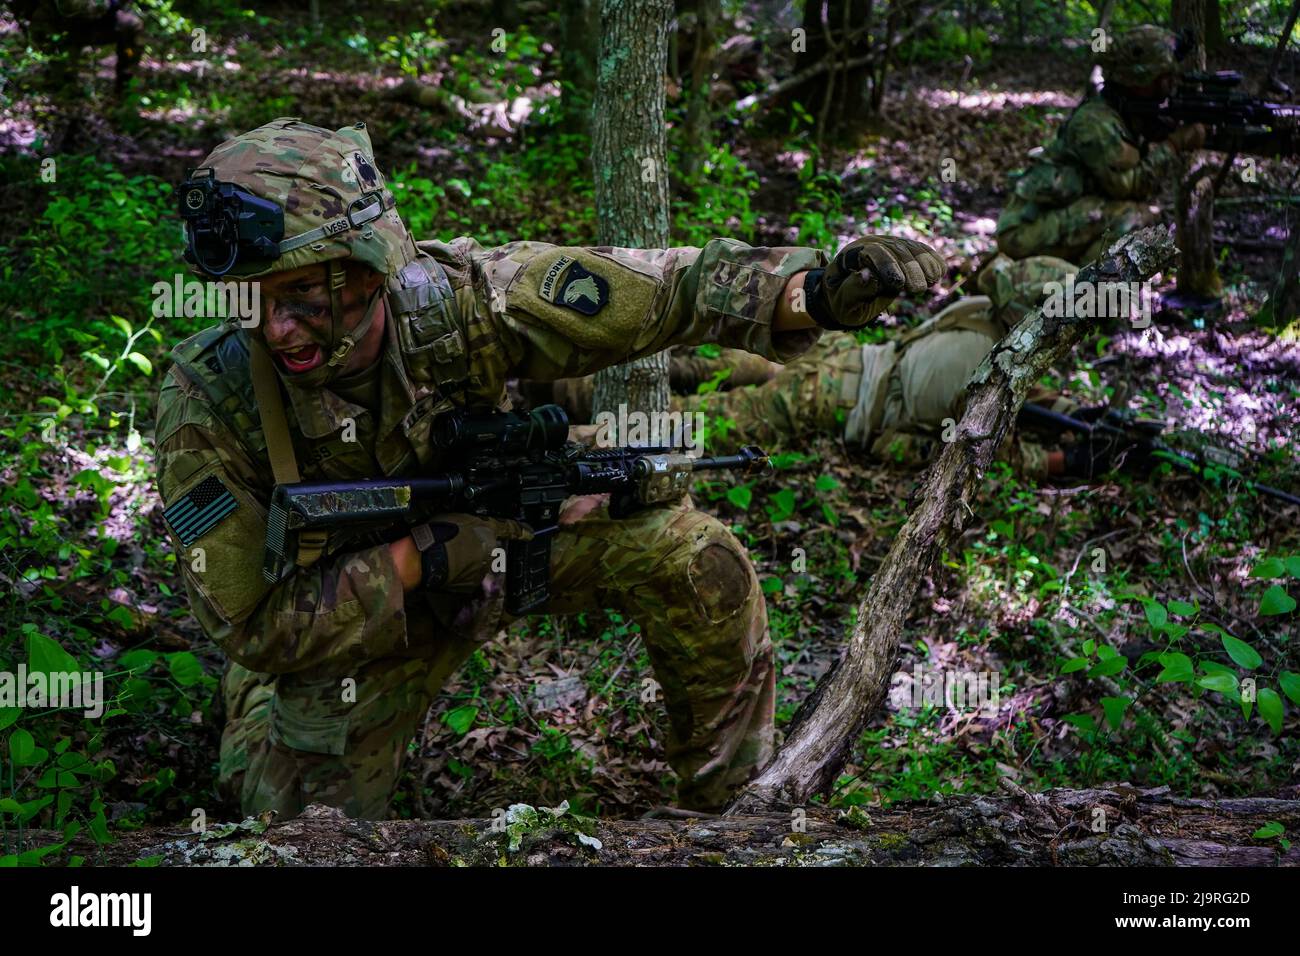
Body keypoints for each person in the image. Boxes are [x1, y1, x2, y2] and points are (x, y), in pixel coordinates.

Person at [152, 117, 945, 819]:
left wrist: (812, 295)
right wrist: (420, 558)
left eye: (298, 297)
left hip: (508, 546)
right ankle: (255, 717)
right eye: (249, 300)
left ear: (364, 269)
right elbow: (251, 621)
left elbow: (666, 290)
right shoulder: (211, 398)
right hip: (361, 622)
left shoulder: (462, 304)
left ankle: (733, 815)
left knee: (698, 560)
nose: (275, 328)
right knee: (294, 828)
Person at [545, 254, 1145, 481]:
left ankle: (555, 386)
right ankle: (552, 438)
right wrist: (1060, 461)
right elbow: (959, 451)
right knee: (693, 425)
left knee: (692, 365)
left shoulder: (981, 315)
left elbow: (1021, 400)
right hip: (837, 399)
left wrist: (1075, 415)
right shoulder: (985, 369)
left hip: (841, 358)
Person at [995, 25, 1206, 264]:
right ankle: (1085, 292)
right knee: (1138, 221)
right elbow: (1128, 186)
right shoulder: (1095, 122)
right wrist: (1174, 145)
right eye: (1161, 78)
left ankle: (1080, 282)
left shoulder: (1123, 115)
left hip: (1058, 217)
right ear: (1137, 78)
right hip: (1024, 231)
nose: (1167, 86)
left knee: (1136, 221)